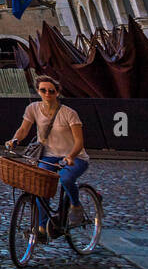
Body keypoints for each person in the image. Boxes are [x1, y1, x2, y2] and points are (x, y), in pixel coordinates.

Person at [5, 74, 90, 239]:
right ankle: (42, 228)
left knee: (65, 179)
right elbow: (23, 130)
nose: (47, 94)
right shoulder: (33, 109)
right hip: (48, 156)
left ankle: (75, 205)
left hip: (75, 157)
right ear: (38, 91)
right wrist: (14, 140)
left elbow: (79, 141)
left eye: (51, 91)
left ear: (57, 92)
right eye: (43, 90)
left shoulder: (69, 113)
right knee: (40, 188)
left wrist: (71, 156)